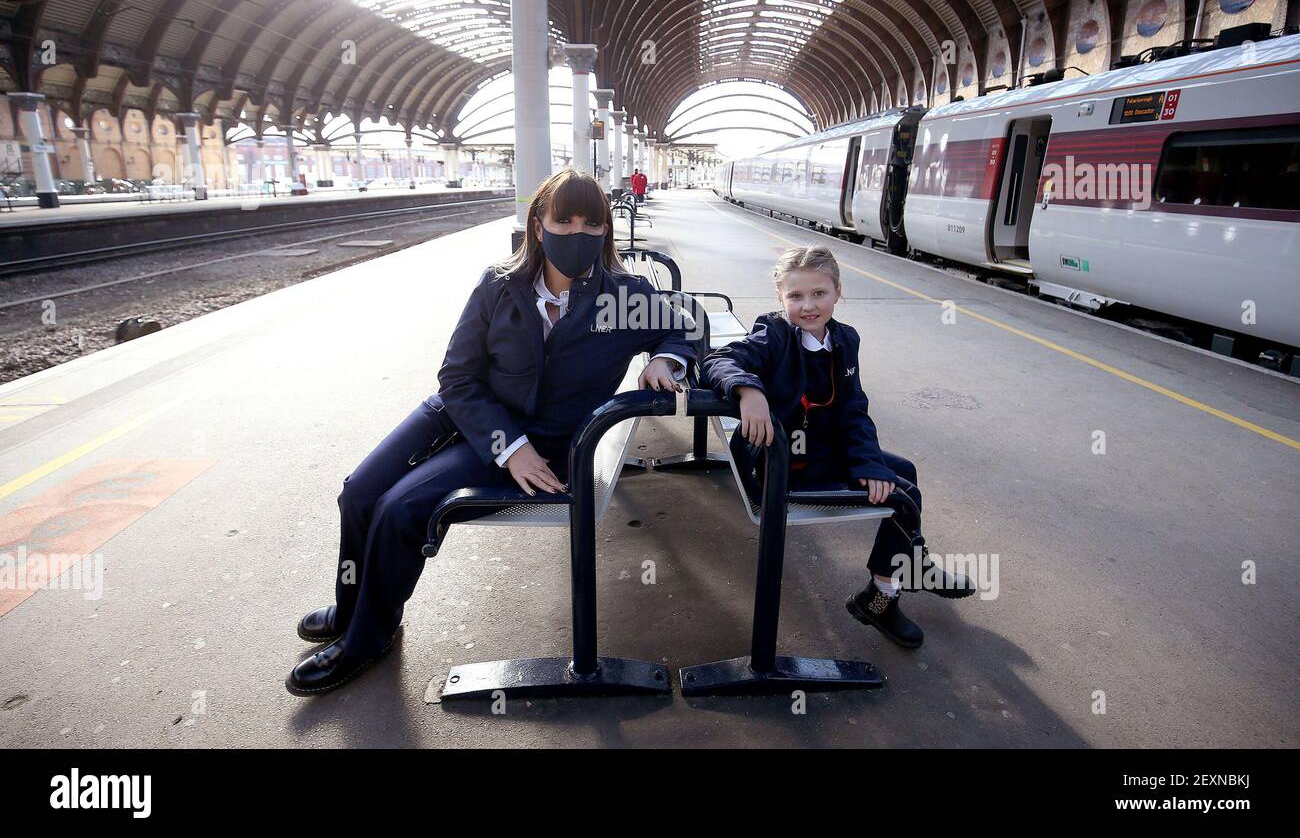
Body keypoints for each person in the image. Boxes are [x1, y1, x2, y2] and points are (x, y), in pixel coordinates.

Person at [287, 169, 698, 695]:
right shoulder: (499, 284)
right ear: (538, 223)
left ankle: (370, 633)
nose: (577, 234)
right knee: (358, 493)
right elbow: (457, 377)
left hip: (537, 440)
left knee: (400, 509)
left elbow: (687, 328)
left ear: (607, 229)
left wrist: (668, 357)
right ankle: (351, 608)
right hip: (458, 412)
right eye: (563, 220)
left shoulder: (623, 297)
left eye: (591, 223)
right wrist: (510, 448)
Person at [701, 245, 973, 649]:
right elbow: (717, 360)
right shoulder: (773, 333)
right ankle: (882, 596)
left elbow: (853, 409)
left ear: (838, 292)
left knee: (904, 470)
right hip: (784, 465)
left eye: (819, 294)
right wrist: (748, 390)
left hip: (824, 451)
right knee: (904, 497)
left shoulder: (845, 339)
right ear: (781, 298)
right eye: (795, 296)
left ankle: (910, 561)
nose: (808, 306)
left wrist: (868, 463)